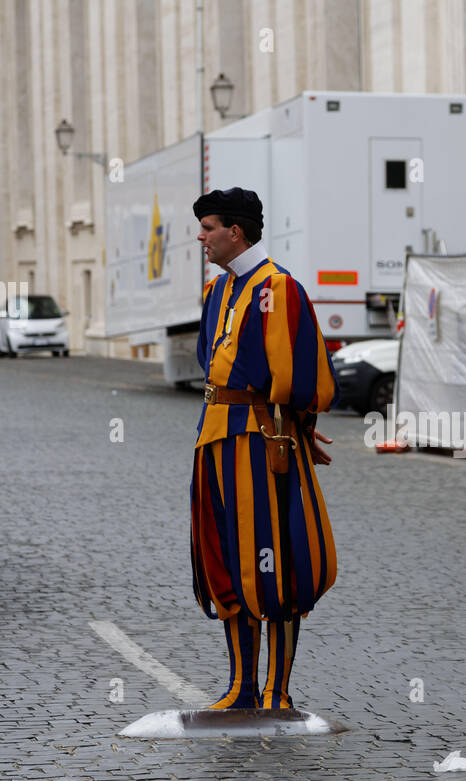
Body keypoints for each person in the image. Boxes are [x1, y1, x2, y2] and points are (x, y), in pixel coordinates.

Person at [188, 186, 339, 710]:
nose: (201, 237)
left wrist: (300, 427)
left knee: (278, 561)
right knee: (225, 560)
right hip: (214, 438)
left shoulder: (279, 288)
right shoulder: (216, 292)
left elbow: (300, 377)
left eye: (208, 227)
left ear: (236, 231)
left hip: (261, 440)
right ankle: (241, 687)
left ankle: (278, 690)